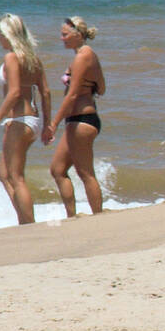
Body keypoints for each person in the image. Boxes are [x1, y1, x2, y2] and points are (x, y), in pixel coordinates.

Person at [0, 13, 52, 225]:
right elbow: (46, 93)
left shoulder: (12, 58)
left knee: (16, 177)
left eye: (0, 34)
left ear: (9, 35)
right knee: (4, 175)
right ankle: (24, 221)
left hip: (19, 120)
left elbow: (13, 92)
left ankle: (29, 225)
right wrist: (47, 125)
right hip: (31, 120)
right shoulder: (33, 59)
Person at [49, 16, 106, 216]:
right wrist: (87, 88)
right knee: (57, 169)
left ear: (78, 35)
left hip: (82, 120)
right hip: (78, 120)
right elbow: (102, 88)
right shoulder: (85, 55)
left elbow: (72, 94)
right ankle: (72, 217)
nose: (61, 38)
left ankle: (98, 217)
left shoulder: (83, 56)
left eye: (65, 35)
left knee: (85, 173)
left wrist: (53, 124)